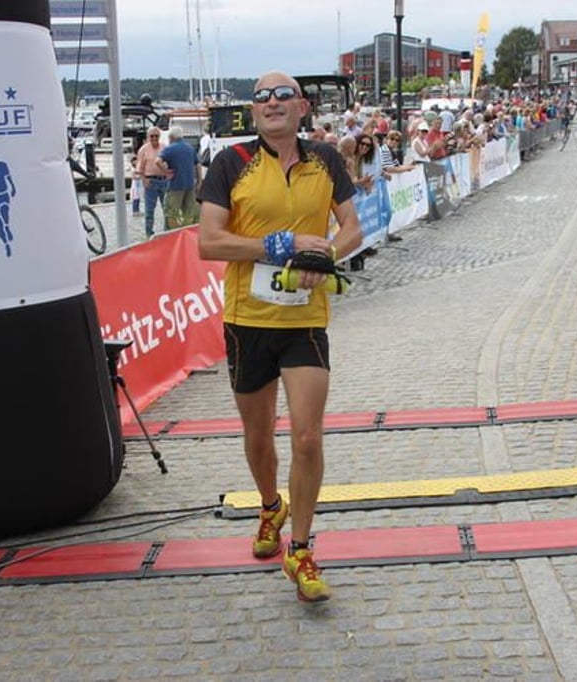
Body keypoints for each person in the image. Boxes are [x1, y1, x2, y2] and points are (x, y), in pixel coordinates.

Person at [198, 70, 362, 603]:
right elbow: (209, 242)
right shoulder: (231, 163)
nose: (272, 102)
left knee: (308, 436)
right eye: (262, 97)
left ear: (303, 107)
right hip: (247, 320)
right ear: (254, 112)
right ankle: (271, 506)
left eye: (282, 95)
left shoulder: (326, 160)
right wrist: (277, 245)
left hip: (304, 321)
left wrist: (324, 253)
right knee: (259, 435)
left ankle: (301, 547)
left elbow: (353, 226)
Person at [156, 126, 200, 229]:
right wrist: (199, 181)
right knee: (189, 212)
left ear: (171, 137)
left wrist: (165, 171)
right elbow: (198, 165)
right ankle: (188, 232)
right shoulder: (190, 148)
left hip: (175, 186)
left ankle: (173, 234)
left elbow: (157, 161)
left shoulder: (170, 149)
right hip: (189, 185)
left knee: (171, 213)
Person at [135, 126, 168, 238]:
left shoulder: (164, 147)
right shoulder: (143, 150)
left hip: (164, 181)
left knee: (167, 208)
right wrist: (144, 180)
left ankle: (167, 231)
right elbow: (139, 168)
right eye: (151, 136)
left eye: (156, 136)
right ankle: (149, 233)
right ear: (148, 137)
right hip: (151, 182)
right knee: (149, 211)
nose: (154, 138)